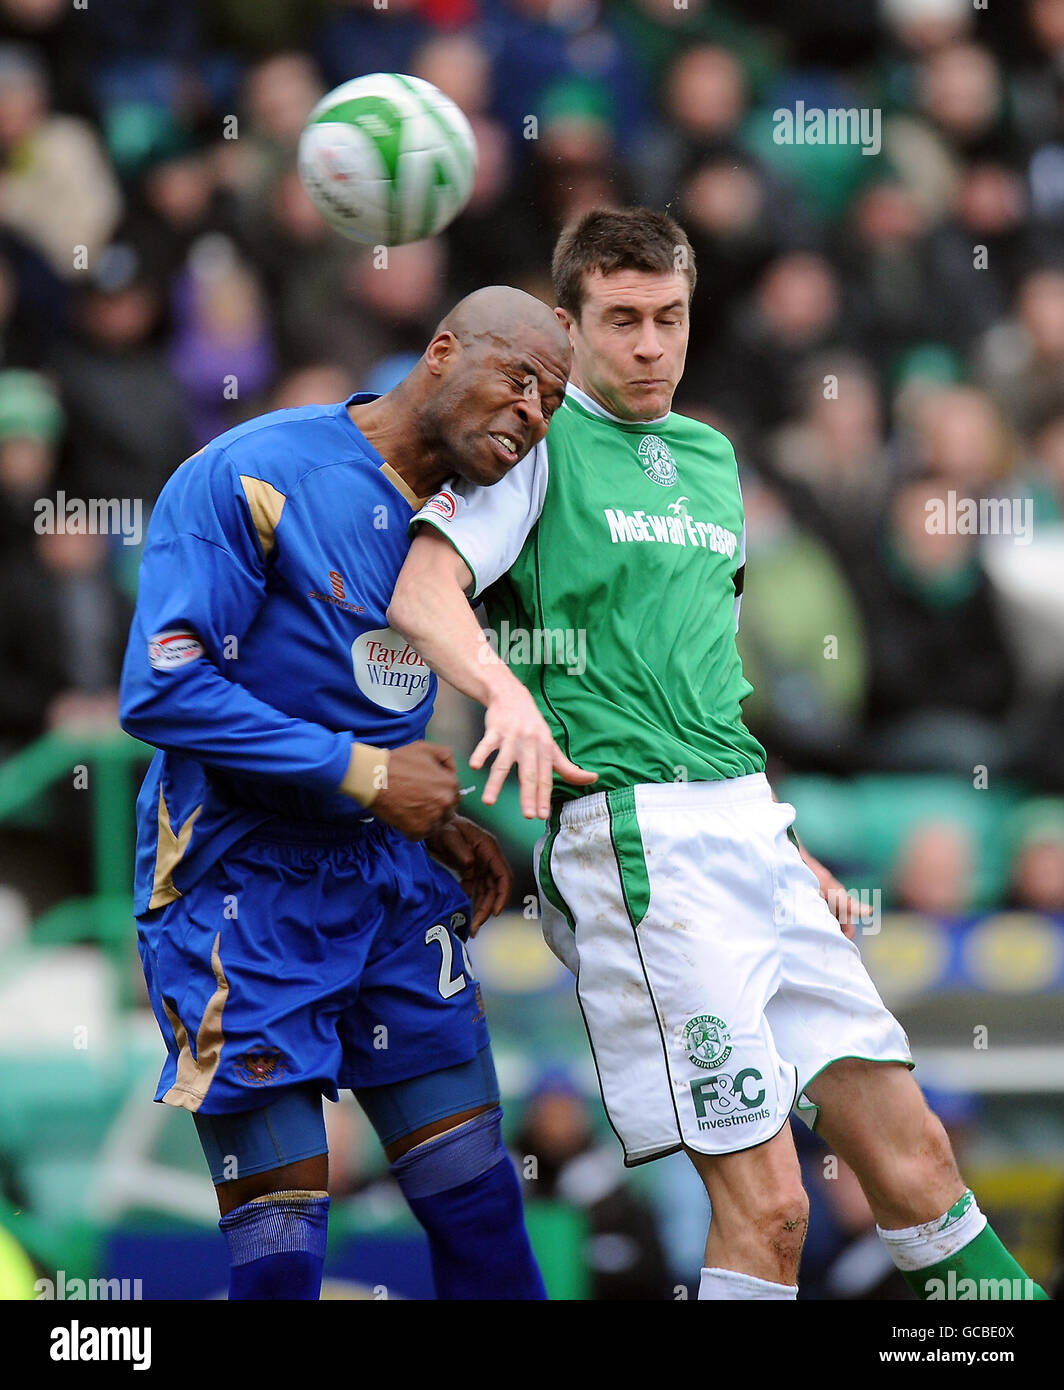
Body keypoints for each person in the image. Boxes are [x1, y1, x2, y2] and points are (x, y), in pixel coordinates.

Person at [389, 208, 1048, 1301]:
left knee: (919, 1164)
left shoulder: (709, 458)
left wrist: (780, 842)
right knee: (772, 1209)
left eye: (669, 318)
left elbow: (706, 686)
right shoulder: (531, 450)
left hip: (744, 826)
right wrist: (503, 692)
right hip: (639, 845)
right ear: (569, 324)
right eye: (621, 320)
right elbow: (421, 588)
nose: (649, 344)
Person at [118, 284, 583, 1301]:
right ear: (441, 349)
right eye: (518, 379)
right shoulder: (254, 473)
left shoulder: (462, 524)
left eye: (549, 402)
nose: (531, 414)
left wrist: (425, 815)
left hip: (382, 883)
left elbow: (364, 687)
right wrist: (362, 774)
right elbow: (161, 686)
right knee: (282, 1266)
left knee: (483, 1217)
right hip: (237, 890)